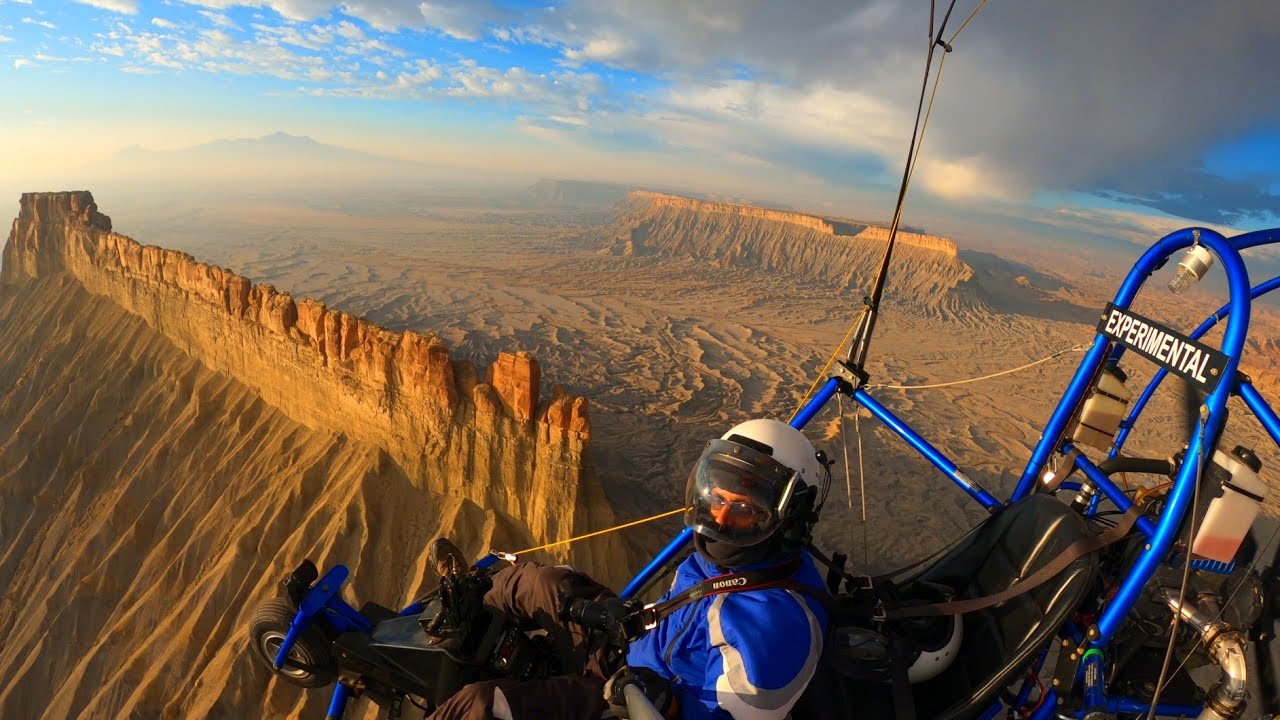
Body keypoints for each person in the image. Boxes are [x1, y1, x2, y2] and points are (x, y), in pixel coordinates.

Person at [426, 418, 831, 720]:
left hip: (633, 703)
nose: (721, 518)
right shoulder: (729, 558)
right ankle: (462, 598)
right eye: (717, 499)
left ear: (789, 520)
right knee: (543, 582)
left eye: (744, 511)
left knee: (482, 705)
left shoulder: (775, 629)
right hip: (633, 653)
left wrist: (664, 703)